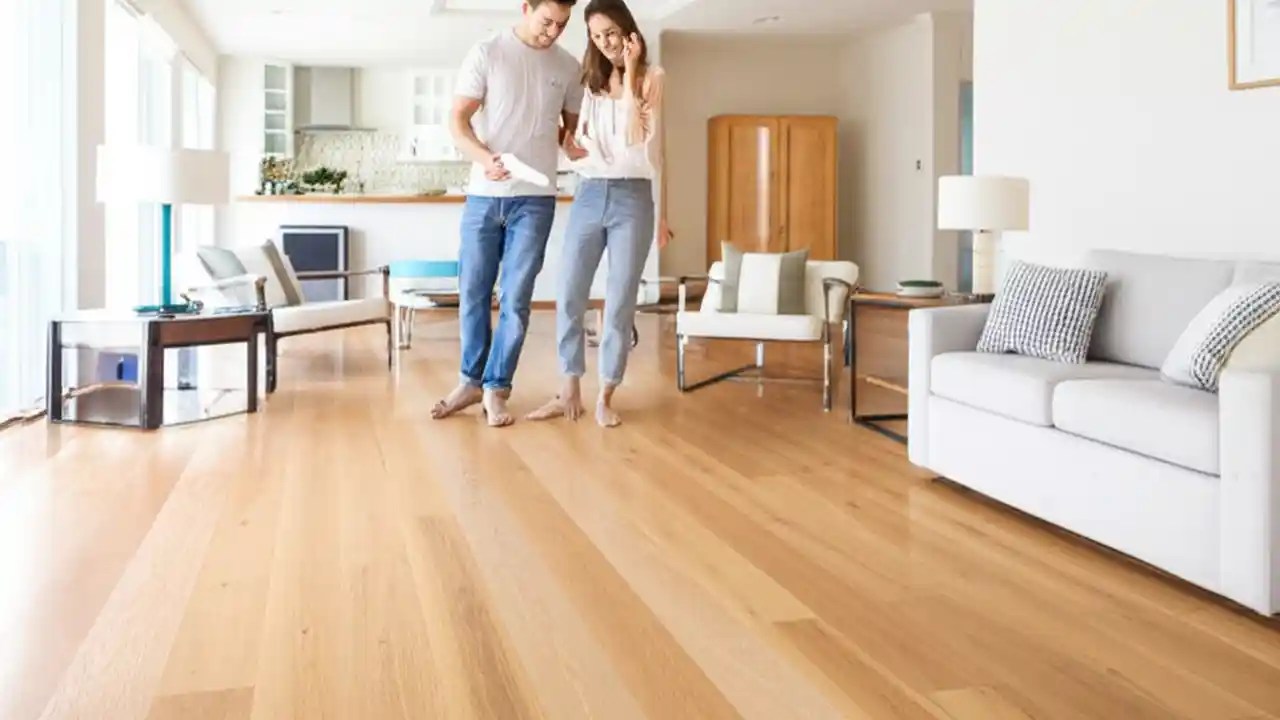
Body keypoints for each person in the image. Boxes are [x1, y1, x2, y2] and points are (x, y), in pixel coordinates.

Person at [431, 0, 585, 427]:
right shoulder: (488, 52)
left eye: (562, 24)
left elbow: (568, 134)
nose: (553, 31)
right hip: (484, 195)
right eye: (546, 21)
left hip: (535, 200)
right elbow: (458, 121)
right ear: (525, 8)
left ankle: (497, 389)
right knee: (473, 294)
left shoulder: (569, 67)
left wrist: (573, 145)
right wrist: (484, 158)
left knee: (516, 300)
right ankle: (469, 382)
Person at [527, 0, 670, 428]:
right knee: (570, 291)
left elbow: (639, 138)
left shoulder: (653, 79)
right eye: (595, 35)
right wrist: (569, 145)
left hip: (633, 197)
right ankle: (569, 386)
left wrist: (629, 73)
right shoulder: (585, 83)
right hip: (589, 193)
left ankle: (607, 393)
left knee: (621, 300)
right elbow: (580, 143)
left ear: (628, 30)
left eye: (610, 32)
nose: (604, 42)